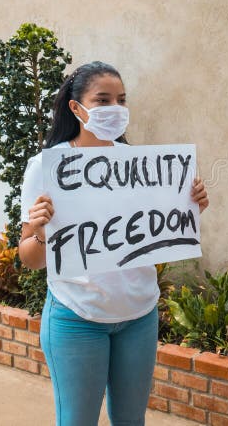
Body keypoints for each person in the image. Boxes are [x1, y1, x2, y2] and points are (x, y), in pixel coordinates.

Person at [18, 61, 209, 426]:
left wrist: (190, 204)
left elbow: (160, 230)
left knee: (131, 420)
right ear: (76, 108)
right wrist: (41, 229)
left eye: (121, 100)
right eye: (102, 100)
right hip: (77, 317)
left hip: (139, 315)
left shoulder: (142, 167)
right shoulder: (46, 167)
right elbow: (30, 258)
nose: (115, 109)